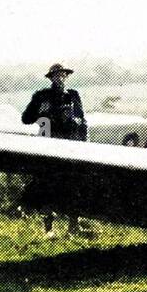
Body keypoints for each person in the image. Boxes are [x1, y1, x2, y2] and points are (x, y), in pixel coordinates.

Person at [20, 63, 93, 238]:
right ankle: (48, 229)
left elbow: (83, 120)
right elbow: (26, 118)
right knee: (47, 187)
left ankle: (73, 226)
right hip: (49, 146)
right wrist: (43, 115)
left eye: (62, 75)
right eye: (56, 76)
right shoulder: (42, 96)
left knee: (73, 186)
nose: (60, 78)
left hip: (70, 146)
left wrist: (76, 124)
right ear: (51, 78)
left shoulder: (73, 95)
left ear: (66, 77)